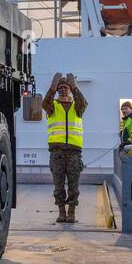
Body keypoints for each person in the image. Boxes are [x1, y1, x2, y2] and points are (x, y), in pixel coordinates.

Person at [43, 72, 87, 223]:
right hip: (57, 152)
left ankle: (72, 213)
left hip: (74, 152)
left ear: (70, 89)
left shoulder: (77, 107)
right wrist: (52, 87)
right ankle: (61, 212)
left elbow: (83, 102)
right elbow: (45, 103)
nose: (62, 90)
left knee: (74, 186)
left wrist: (74, 86)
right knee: (59, 185)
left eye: (65, 87)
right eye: (60, 88)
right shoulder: (52, 106)